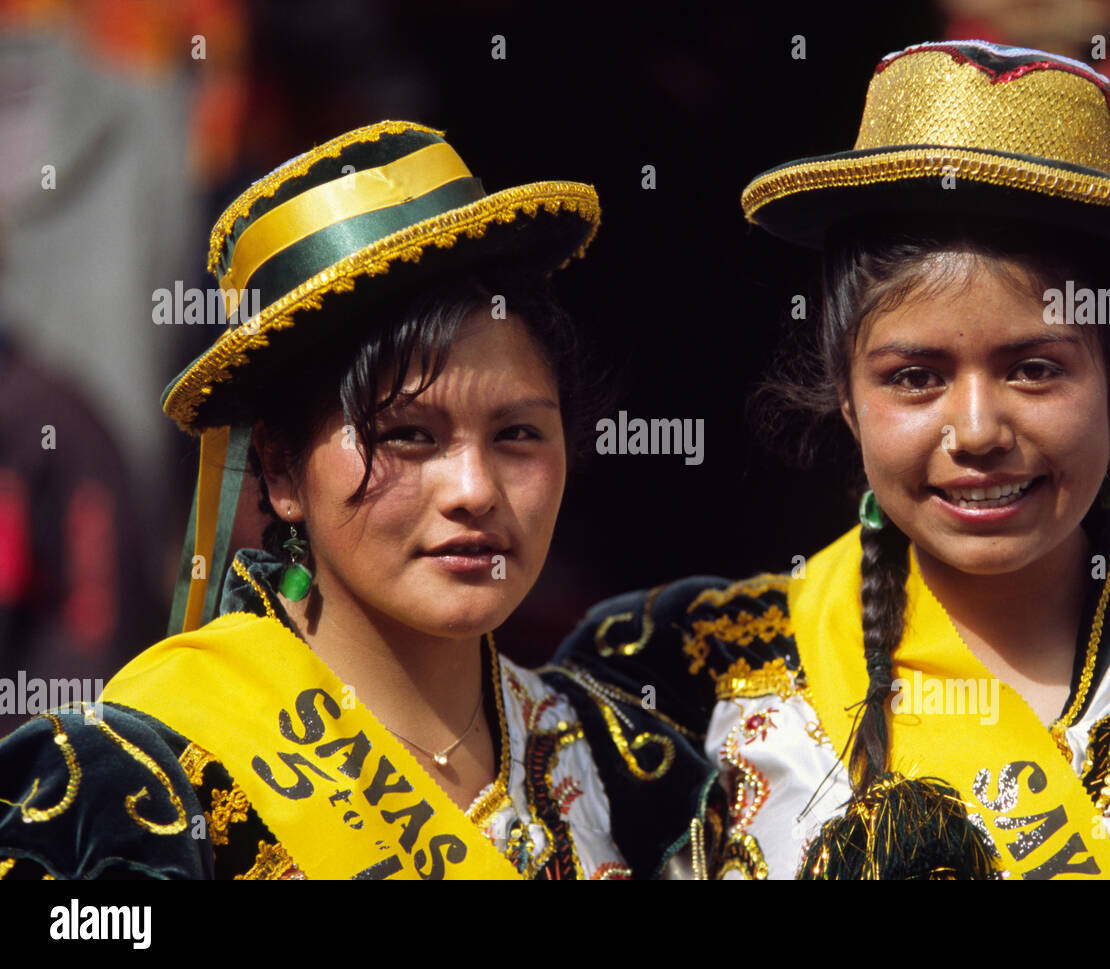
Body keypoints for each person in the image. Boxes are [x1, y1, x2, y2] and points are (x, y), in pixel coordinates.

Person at [553, 41, 1110, 879]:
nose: (976, 428)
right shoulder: (691, 679)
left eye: (1033, 369)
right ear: (846, 395)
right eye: (914, 378)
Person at [0, 120, 643, 879]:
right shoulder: (140, 778)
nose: (474, 490)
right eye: (407, 434)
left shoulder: (627, 764)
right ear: (279, 471)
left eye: (518, 434)